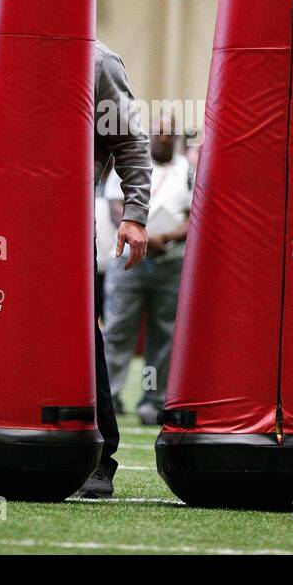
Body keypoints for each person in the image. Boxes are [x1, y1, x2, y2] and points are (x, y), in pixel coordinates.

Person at [0, 40, 152, 499]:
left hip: (65, 223)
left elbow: (131, 140)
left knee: (76, 336)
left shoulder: (99, 61)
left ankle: (100, 458)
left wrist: (135, 214)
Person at [101, 119, 191, 425]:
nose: (163, 139)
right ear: (148, 135)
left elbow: (195, 216)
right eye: (158, 133)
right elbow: (116, 208)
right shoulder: (128, 162)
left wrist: (164, 238)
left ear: (177, 139)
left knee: (163, 336)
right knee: (117, 331)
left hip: (170, 261)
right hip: (128, 260)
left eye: (169, 134)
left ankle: (152, 401)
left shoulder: (188, 170)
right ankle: (108, 398)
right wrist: (139, 232)